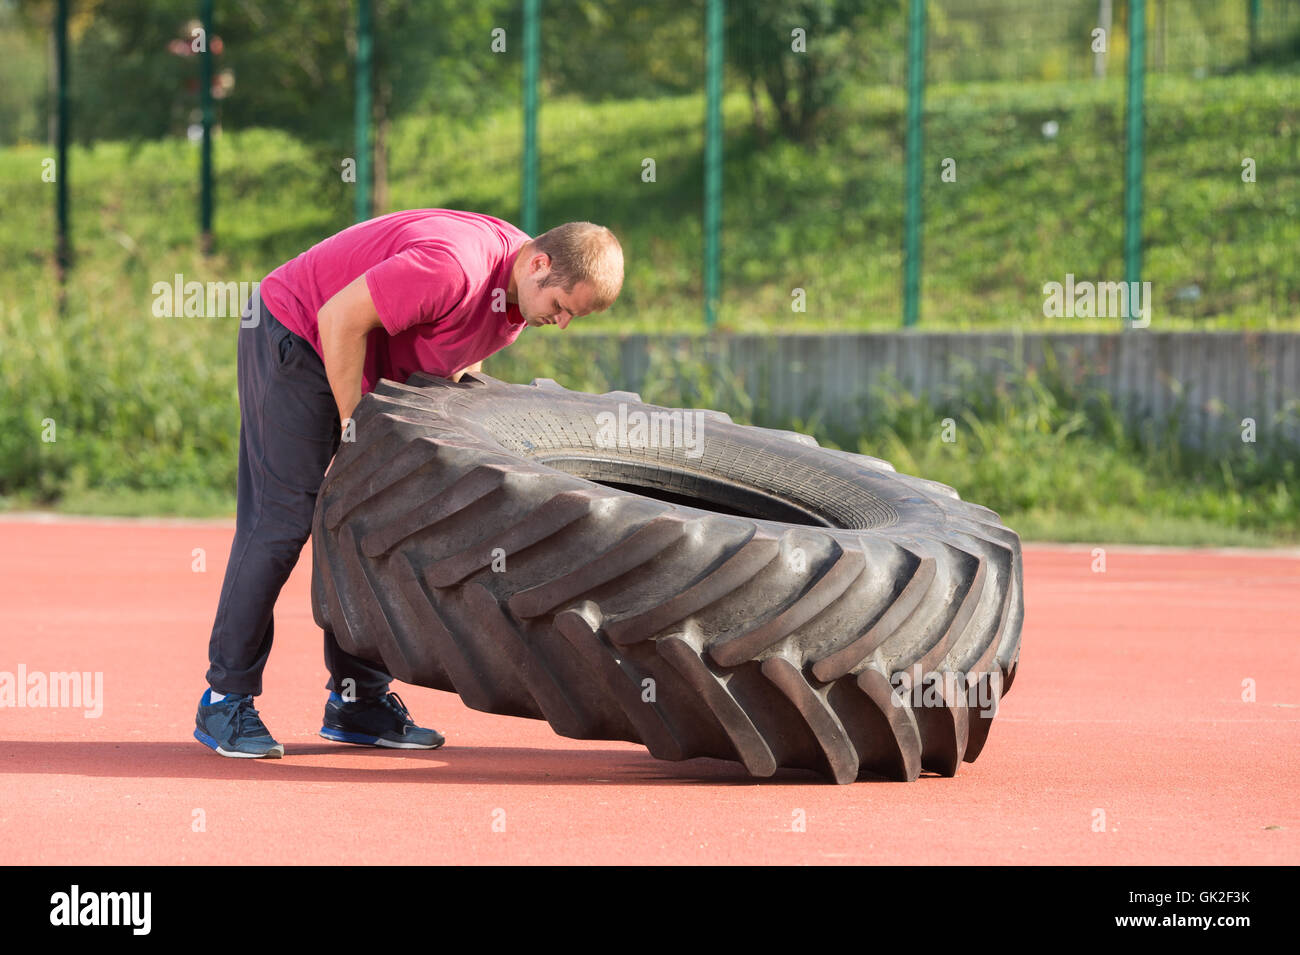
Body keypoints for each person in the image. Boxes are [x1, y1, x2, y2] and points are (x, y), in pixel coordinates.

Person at [194, 209, 625, 758]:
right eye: (562, 307)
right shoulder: (452, 267)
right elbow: (339, 320)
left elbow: (434, 363)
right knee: (280, 524)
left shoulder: (516, 296)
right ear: (538, 263)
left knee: (378, 522)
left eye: (573, 317)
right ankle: (223, 700)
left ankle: (358, 701)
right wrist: (357, 431)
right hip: (296, 332)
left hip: (356, 357)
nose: (561, 323)